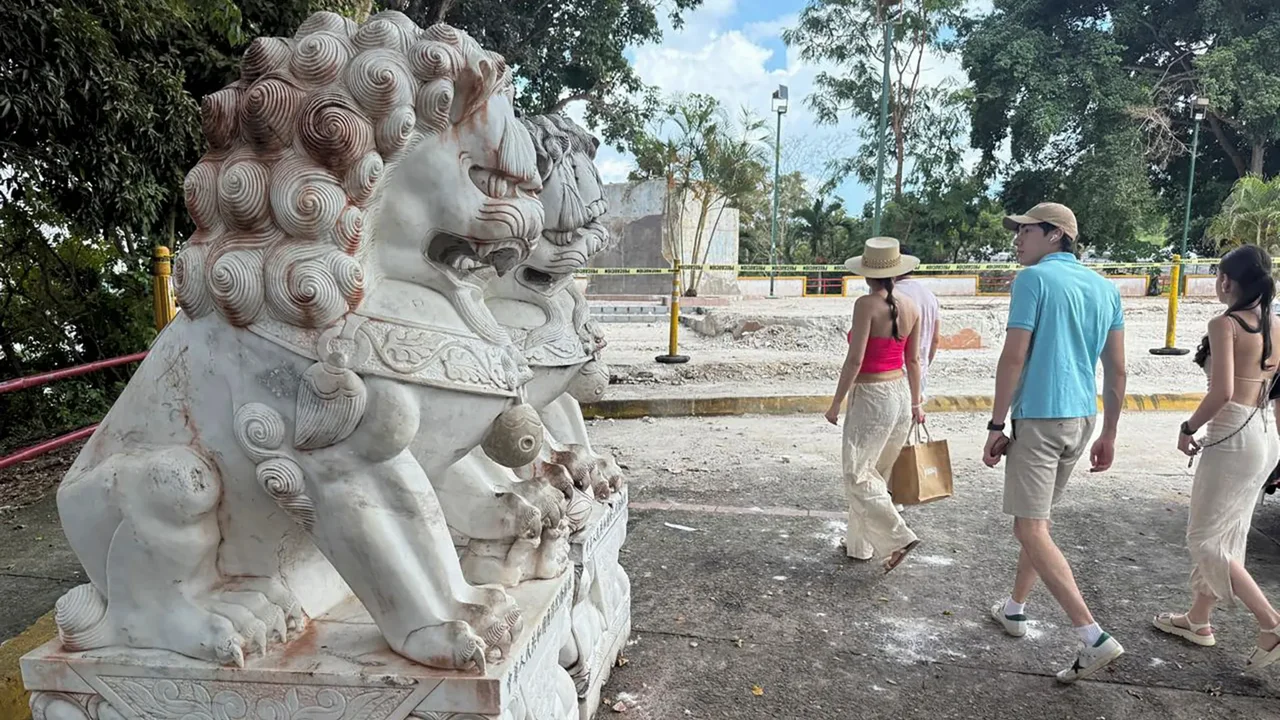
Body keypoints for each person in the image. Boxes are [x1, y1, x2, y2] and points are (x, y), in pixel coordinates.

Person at [981, 202, 1127, 683]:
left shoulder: (1033, 280)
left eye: (1026, 231)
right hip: (1081, 418)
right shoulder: (1105, 289)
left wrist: (996, 424)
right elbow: (1117, 370)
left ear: (1056, 234)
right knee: (1037, 523)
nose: (1017, 239)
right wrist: (1108, 433)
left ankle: (1092, 635)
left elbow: (1013, 356)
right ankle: (1014, 608)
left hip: (1041, 417)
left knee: (1030, 528)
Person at [1156, 244, 1280, 674]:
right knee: (1229, 532)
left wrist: (1188, 427)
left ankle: (1271, 623)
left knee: (1205, 538)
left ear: (1226, 280)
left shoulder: (1225, 324)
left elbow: (1222, 391)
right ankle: (1198, 619)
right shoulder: (1276, 324)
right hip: (1264, 433)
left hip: (1233, 433)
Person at [825, 237, 925, 574]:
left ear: (867, 273)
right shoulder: (912, 306)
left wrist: (836, 403)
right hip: (899, 393)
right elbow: (913, 361)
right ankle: (860, 546)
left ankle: (899, 537)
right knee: (877, 473)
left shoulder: (866, 305)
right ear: (895, 272)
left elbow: (854, 361)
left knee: (857, 473)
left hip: (872, 395)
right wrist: (916, 402)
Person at [894, 268, 941, 398]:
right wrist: (925, 364)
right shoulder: (929, 295)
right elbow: (935, 338)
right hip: (920, 371)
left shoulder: (890, 294)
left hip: (893, 371)